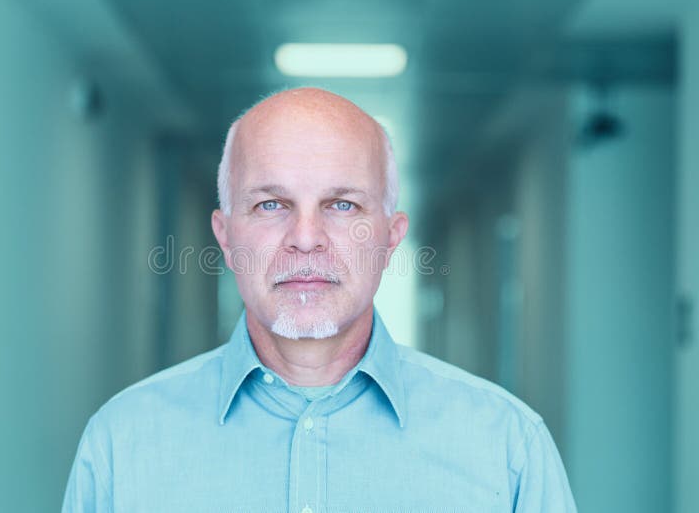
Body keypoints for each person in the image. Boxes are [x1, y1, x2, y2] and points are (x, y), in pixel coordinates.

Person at [62, 88, 577, 512]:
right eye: (270, 204)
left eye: (342, 204)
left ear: (390, 237)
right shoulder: (120, 446)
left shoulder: (509, 450)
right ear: (224, 235)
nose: (305, 237)